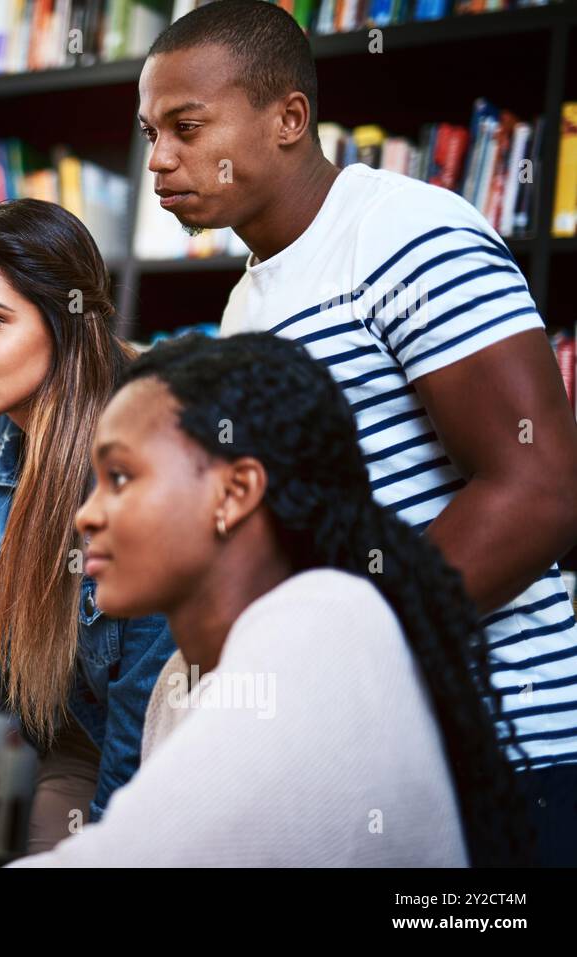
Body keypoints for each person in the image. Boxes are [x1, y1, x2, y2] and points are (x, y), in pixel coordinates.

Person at [137, 0, 577, 864]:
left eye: (187, 127)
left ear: (289, 118)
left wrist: (332, 644)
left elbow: (539, 489)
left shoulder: (407, 233)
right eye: (152, 131)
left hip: (507, 747)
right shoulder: (249, 299)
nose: (159, 158)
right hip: (373, 755)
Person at [13, 333, 533, 867]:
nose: (86, 515)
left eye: (119, 477)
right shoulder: (181, 676)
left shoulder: (316, 629)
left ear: (235, 492)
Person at [0, 197, 175, 851]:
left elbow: (147, 697)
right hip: (76, 727)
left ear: (65, 323)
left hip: (168, 748)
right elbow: (31, 592)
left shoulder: (152, 454)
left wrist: (106, 840)